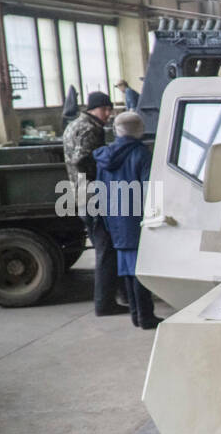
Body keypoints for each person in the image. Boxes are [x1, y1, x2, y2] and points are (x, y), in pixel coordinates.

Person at [94, 112, 161, 330]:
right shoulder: (141, 154)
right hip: (135, 220)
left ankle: (136, 315)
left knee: (127, 270)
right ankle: (146, 317)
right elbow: (148, 190)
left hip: (113, 219)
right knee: (140, 271)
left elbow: (100, 191)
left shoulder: (103, 157)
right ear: (139, 130)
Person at [63, 91, 124, 316]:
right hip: (91, 197)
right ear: (93, 108)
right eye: (105, 109)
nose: (108, 114)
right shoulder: (89, 128)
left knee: (104, 248)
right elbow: (81, 160)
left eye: (110, 110)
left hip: (81, 195)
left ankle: (111, 298)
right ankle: (104, 303)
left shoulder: (75, 124)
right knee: (106, 250)